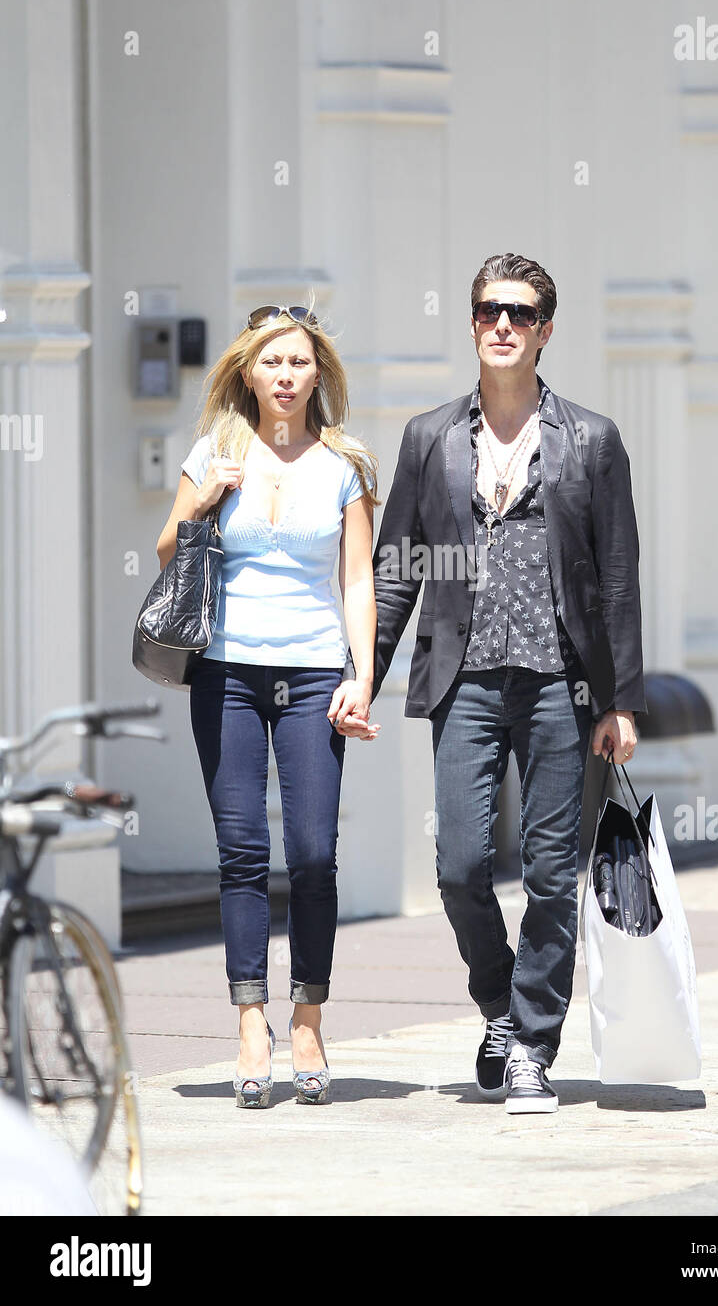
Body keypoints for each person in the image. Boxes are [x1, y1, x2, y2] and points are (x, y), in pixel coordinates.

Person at [339, 254, 646, 1113]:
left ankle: (531, 1050)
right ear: (471, 322)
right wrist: (364, 673)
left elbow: (617, 575)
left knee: (551, 873)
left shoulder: (591, 439)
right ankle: (501, 1007)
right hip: (463, 677)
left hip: (560, 683)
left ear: (547, 329)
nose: (500, 324)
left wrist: (619, 698)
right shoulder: (431, 436)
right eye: (486, 310)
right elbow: (396, 565)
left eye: (518, 312)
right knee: (460, 865)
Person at [156, 303, 380, 1109]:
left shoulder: (346, 463)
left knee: (314, 853)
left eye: (299, 363)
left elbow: (358, 577)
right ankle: (251, 1020)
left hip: (316, 675)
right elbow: (166, 552)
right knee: (243, 851)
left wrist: (362, 673)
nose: (285, 376)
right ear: (247, 373)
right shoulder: (214, 452)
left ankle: (309, 1014)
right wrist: (205, 498)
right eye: (271, 363)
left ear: (317, 372)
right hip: (227, 673)